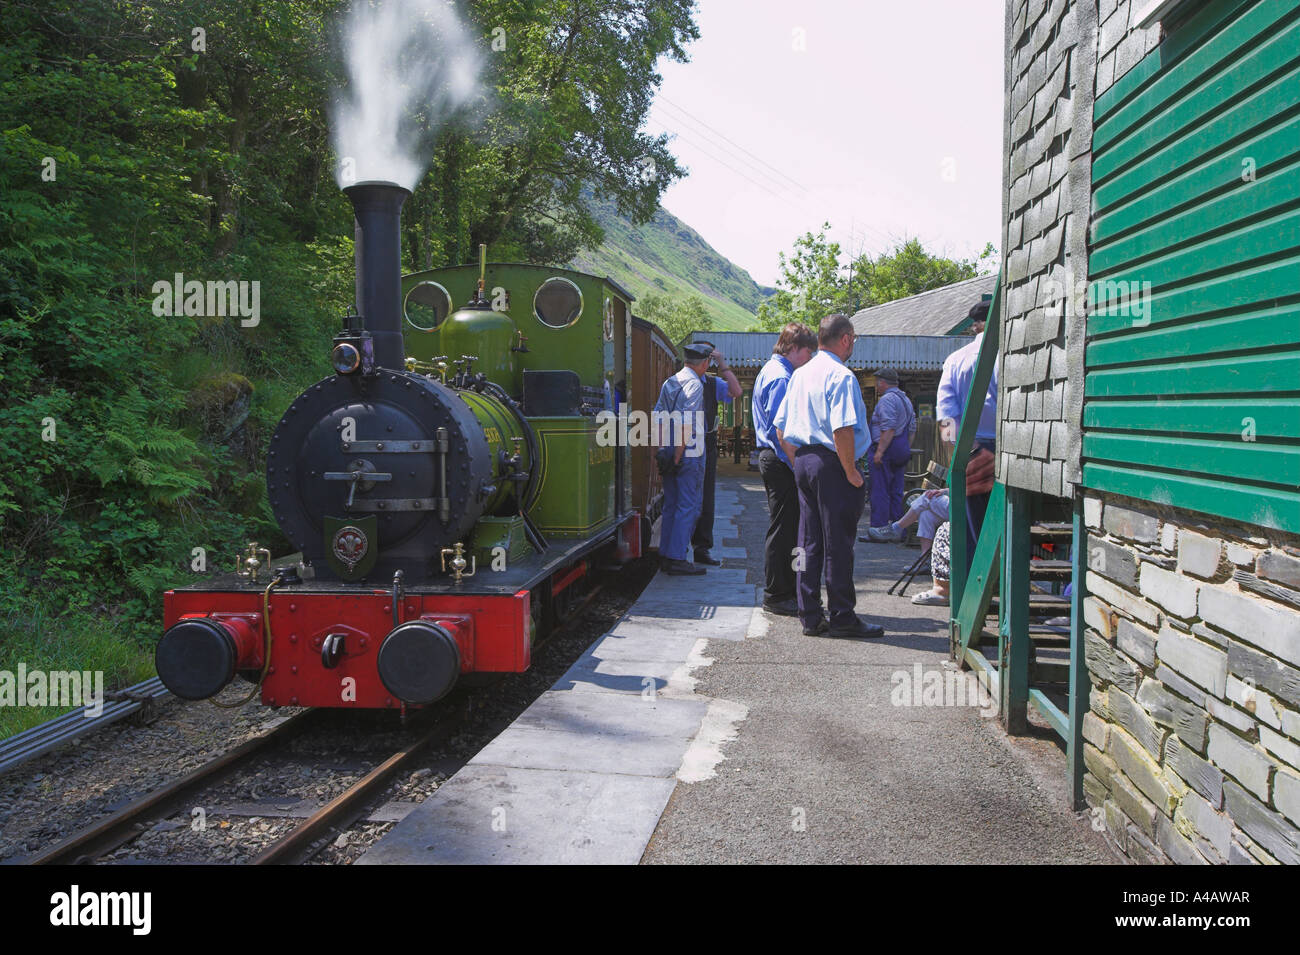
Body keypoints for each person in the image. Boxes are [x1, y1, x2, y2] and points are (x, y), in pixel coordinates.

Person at [774, 314, 886, 640]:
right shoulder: (842, 376)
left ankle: (809, 614)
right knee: (839, 543)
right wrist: (851, 471)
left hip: (805, 460)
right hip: (833, 462)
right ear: (847, 339)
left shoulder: (799, 374)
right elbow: (842, 429)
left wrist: (801, 461)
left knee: (807, 543)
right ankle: (842, 615)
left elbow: (781, 428)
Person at [751, 322, 817, 617]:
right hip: (781, 459)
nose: (810, 358)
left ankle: (784, 590)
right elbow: (783, 431)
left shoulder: (774, 371)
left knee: (786, 527)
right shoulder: (781, 378)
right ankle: (778, 594)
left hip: (775, 458)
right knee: (784, 529)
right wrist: (797, 466)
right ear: (794, 348)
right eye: (808, 351)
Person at [937, 299, 998, 564]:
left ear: (975, 326)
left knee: (972, 528)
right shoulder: (1012, 356)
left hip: (971, 449)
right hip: (1013, 449)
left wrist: (963, 455)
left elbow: (946, 417)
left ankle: (974, 592)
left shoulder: (955, 360)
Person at [653, 342, 713, 576]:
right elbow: (687, 422)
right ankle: (677, 558)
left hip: (668, 450)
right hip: (687, 453)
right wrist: (678, 455)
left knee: (671, 504)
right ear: (705, 363)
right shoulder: (695, 385)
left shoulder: (670, 382)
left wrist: (662, 450)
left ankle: (666, 555)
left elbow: (658, 415)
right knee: (688, 505)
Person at [688, 340, 742, 566]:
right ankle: (681, 546)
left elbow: (736, 391)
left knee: (706, 496)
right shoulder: (682, 381)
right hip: (687, 439)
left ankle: (701, 547)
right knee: (686, 495)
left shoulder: (712, 383)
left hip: (706, 440)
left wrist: (722, 364)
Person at [867, 367, 915, 528]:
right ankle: (897, 527)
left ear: (883, 383)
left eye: (877, 382)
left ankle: (879, 528)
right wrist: (906, 447)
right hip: (901, 448)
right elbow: (912, 428)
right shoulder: (906, 400)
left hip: (886, 449)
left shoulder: (887, 400)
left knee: (880, 490)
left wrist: (879, 451)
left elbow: (888, 428)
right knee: (896, 491)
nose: (876, 386)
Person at [865, 487, 948, 551]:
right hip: (954, 506)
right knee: (925, 515)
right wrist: (943, 491)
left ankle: (896, 528)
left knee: (928, 497)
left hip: (959, 508)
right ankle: (926, 561)